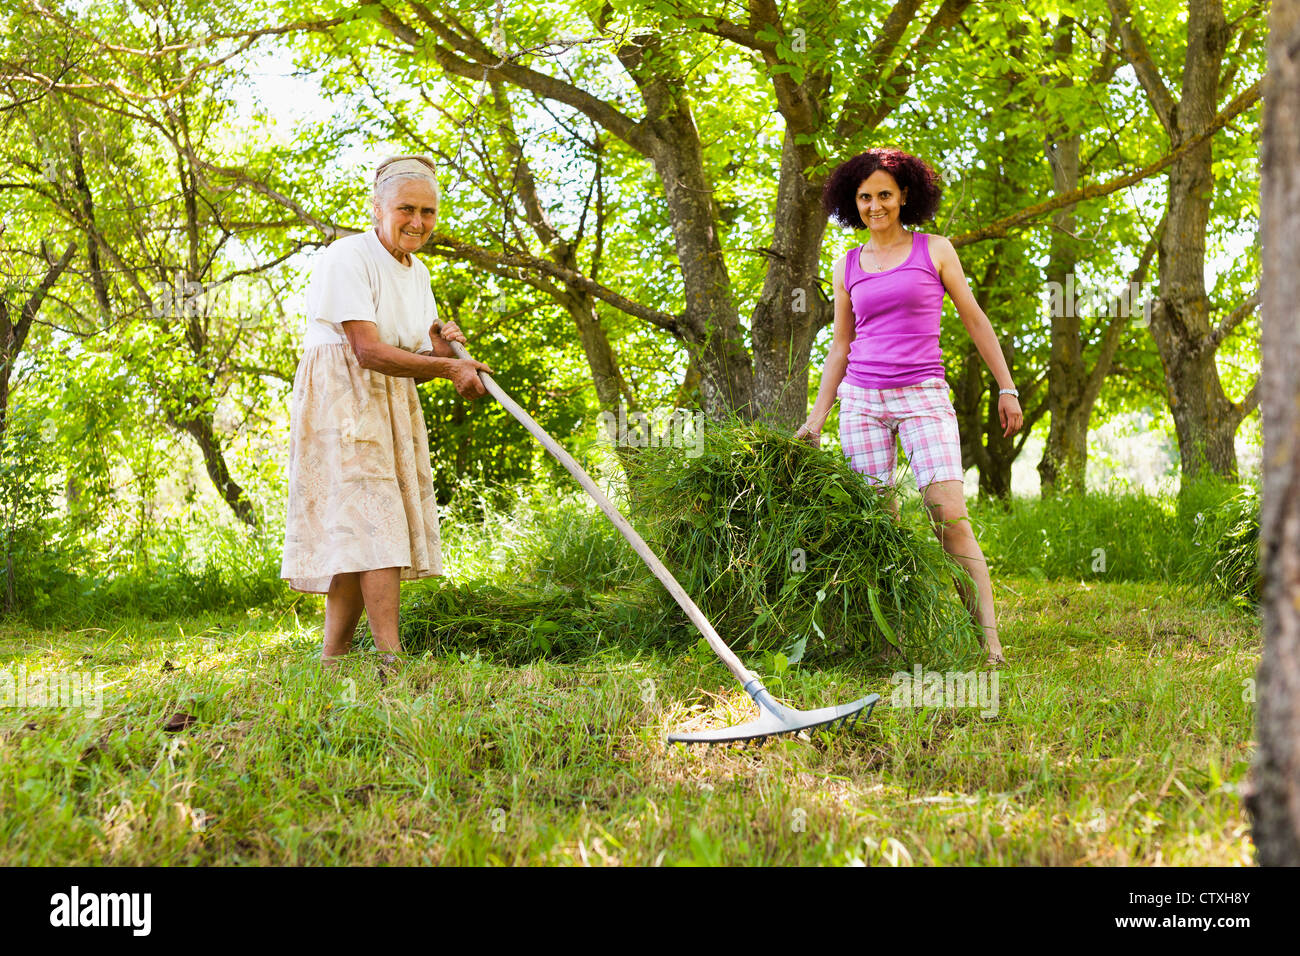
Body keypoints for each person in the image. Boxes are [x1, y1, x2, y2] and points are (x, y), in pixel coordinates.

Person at [794, 148, 1022, 665]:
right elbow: (840, 346)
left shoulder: (935, 250)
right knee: (879, 523)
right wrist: (816, 419)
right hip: (861, 401)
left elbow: (975, 318)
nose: (875, 205)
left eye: (885, 195)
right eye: (865, 197)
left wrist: (1006, 388)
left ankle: (988, 642)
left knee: (947, 516)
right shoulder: (847, 264)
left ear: (904, 198)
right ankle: (889, 640)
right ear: (853, 203)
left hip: (922, 395)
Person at [280, 154, 493, 670]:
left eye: (428, 212)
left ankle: (332, 659)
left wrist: (449, 354)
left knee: (363, 525)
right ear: (377, 208)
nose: (417, 222)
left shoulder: (418, 273)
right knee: (374, 521)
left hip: (391, 395)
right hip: (343, 390)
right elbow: (367, 349)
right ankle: (390, 659)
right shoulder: (346, 256)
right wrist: (444, 370)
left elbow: (420, 357)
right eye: (406, 209)